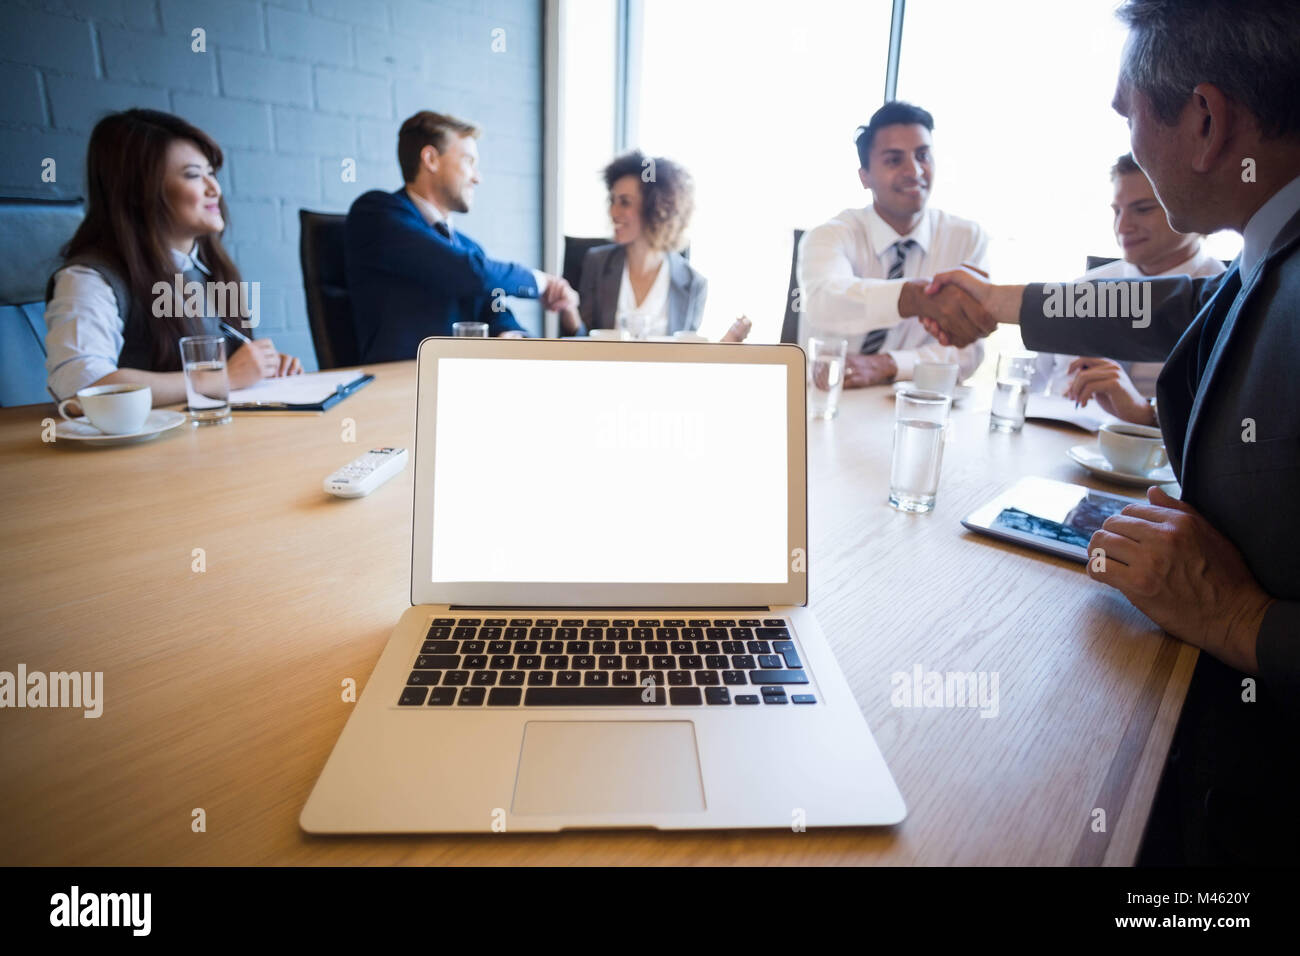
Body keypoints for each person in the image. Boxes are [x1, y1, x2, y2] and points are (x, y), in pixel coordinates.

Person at [912, 0, 1300, 863]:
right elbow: (1191, 309)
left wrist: (1243, 620)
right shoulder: (1271, 247)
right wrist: (1005, 302)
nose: (1122, 124)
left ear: (1205, 122)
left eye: (1129, 109)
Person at [44, 109, 300, 405]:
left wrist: (261, 369)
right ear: (139, 191)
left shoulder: (206, 268)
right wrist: (223, 377)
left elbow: (230, 370)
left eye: (211, 173)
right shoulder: (89, 278)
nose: (214, 188)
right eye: (193, 175)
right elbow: (83, 385)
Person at [345, 111, 581, 362]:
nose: (477, 178)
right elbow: (469, 273)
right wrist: (542, 283)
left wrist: (509, 332)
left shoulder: (467, 247)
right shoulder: (376, 214)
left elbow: (493, 304)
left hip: (458, 384)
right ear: (431, 159)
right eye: (469, 161)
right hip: (397, 386)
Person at [798, 101, 989, 388]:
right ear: (865, 177)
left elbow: (968, 351)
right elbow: (825, 302)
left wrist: (888, 364)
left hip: (918, 403)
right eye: (894, 160)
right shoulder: (829, 235)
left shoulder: (966, 238)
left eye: (923, 155)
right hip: (832, 398)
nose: (914, 171)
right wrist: (913, 297)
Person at [1034, 153, 1225, 422]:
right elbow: (1026, 383)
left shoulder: (1230, 304)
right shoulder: (1081, 290)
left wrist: (1148, 414)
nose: (1121, 226)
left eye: (1143, 209)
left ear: (1193, 206)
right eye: (1117, 211)